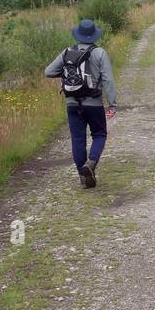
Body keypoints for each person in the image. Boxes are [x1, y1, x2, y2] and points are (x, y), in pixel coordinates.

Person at [44, 18, 117, 188]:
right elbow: (108, 80)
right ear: (94, 36)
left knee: (77, 139)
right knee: (99, 134)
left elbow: (48, 72)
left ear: (78, 35)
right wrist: (112, 104)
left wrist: (66, 74)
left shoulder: (67, 52)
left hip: (72, 103)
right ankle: (90, 163)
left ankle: (83, 178)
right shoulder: (100, 53)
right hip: (94, 103)